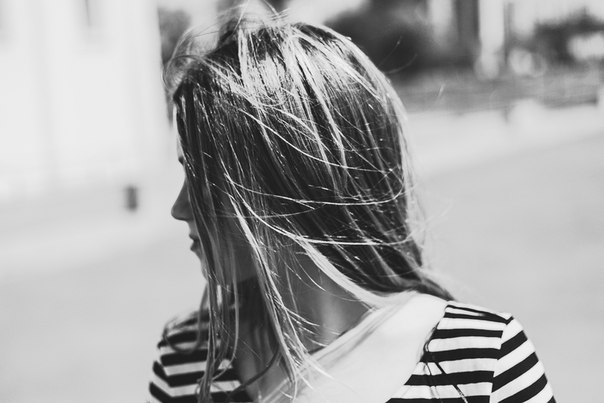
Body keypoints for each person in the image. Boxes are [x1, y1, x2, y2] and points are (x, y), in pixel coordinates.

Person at [148, 18, 555, 403]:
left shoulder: (482, 363)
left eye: (203, 178)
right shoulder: (188, 359)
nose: (179, 208)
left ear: (292, 181)